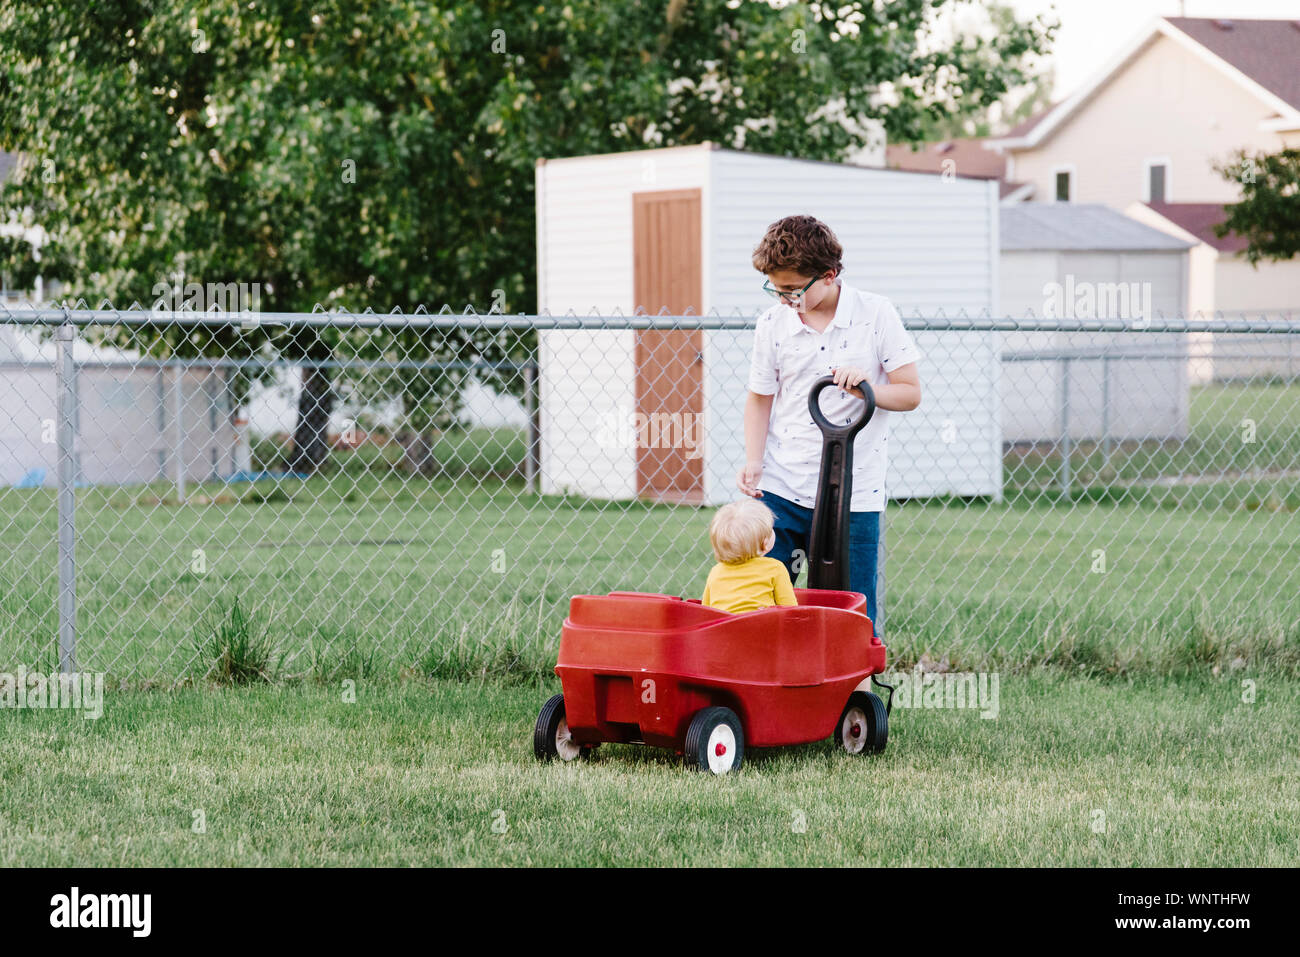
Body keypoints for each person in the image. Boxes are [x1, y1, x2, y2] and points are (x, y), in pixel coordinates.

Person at [737, 214, 923, 629]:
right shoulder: (773, 324)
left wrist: (866, 391)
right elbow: (760, 398)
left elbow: (910, 392)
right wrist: (754, 460)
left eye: (792, 290)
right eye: (776, 289)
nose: (784, 299)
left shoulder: (875, 314)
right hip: (782, 488)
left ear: (829, 274)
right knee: (756, 604)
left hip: (853, 495)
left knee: (850, 613)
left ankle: (855, 692)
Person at [701, 499, 798, 614]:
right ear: (765, 543)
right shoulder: (775, 568)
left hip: (723, 630)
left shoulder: (716, 572)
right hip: (762, 628)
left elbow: (706, 611)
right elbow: (790, 609)